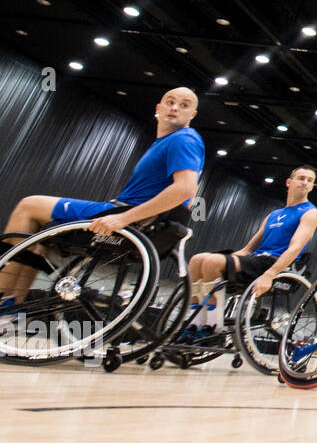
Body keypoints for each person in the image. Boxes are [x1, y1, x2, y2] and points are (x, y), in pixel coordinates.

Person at [0, 87, 204, 305]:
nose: (175, 107)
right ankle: (13, 307)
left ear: (192, 115)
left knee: (29, 206)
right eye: (170, 101)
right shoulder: (169, 141)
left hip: (125, 214)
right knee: (42, 237)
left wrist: (125, 218)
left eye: (184, 105)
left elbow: (184, 190)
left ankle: (3, 293)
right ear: (159, 108)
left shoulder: (184, 139)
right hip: (132, 216)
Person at [183, 165, 317, 341]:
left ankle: (211, 328)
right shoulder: (274, 214)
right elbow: (247, 249)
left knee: (212, 263)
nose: (305, 183)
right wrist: (231, 257)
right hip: (255, 258)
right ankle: (195, 323)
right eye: (301, 178)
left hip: (273, 262)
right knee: (197, 259)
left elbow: (294, 249)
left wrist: (270, 275)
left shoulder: (310, 212)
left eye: (310, 181)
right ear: (289, 182)